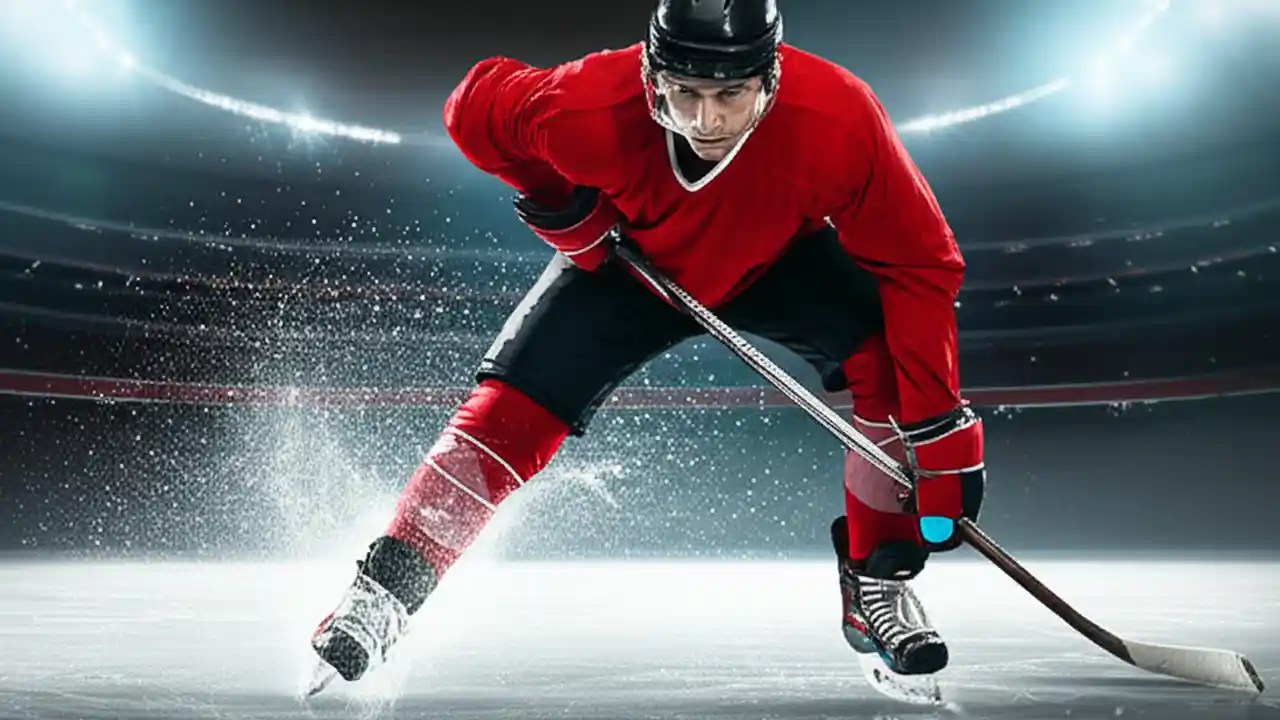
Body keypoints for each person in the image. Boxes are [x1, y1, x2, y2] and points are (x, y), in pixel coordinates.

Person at [310, 0, 985, 684]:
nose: (705, 120)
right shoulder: (586, 104)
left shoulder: (839, 117)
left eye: (730, 94)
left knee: (893, 368)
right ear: (650, 74)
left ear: (771, 77)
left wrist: (935, 432)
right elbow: (471, 110)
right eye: (684, 93)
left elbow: (921, 265)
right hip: (630, 263)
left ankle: (878, 582)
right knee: (505, 416)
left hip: (779, 260)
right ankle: (383, 591)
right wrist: (565, 211)